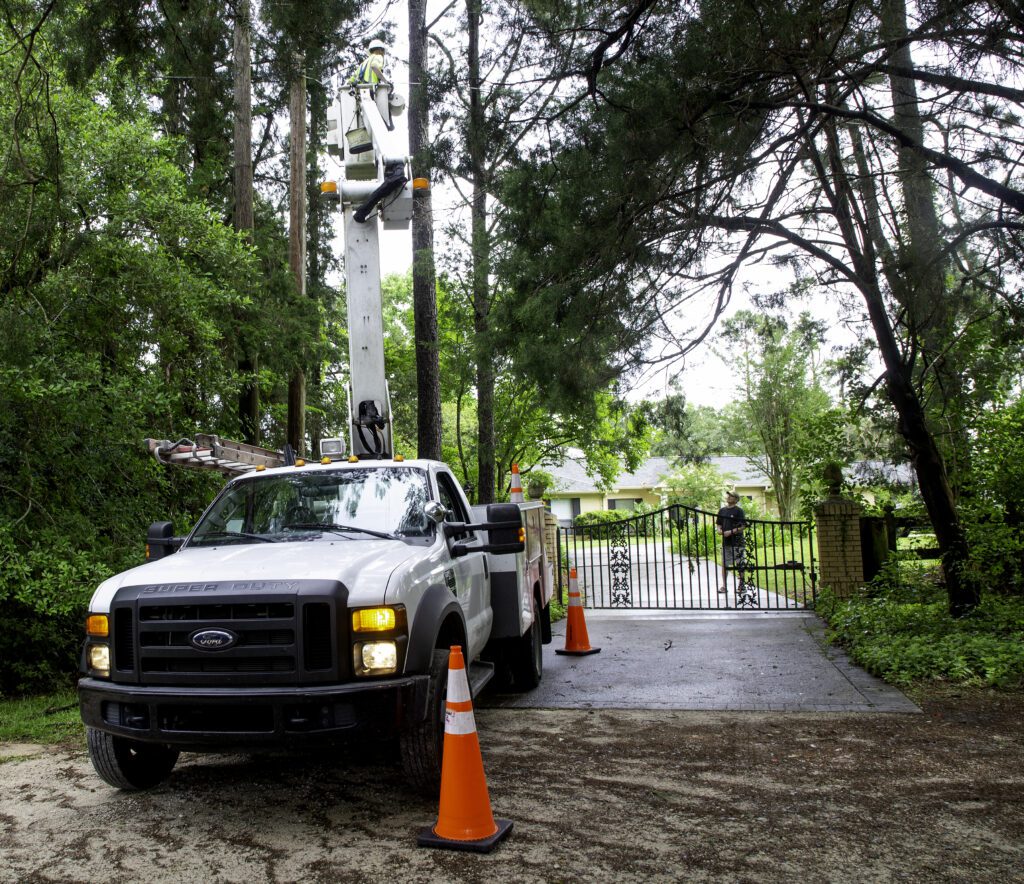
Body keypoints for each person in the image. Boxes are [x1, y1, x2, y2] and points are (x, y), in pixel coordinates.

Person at [716, 490, 746, 595]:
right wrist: (719, 530)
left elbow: (743, 526)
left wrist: (731, 532)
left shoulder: (739, 511)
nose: (729, 497)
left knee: (740, 564)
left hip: (738, 542)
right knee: (725, 565)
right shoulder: (722, 511)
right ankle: (724, 586)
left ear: (736, 499)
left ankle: (741, 586)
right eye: (728, 495)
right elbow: (719, 523)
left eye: (731, 496)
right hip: (726, 543)